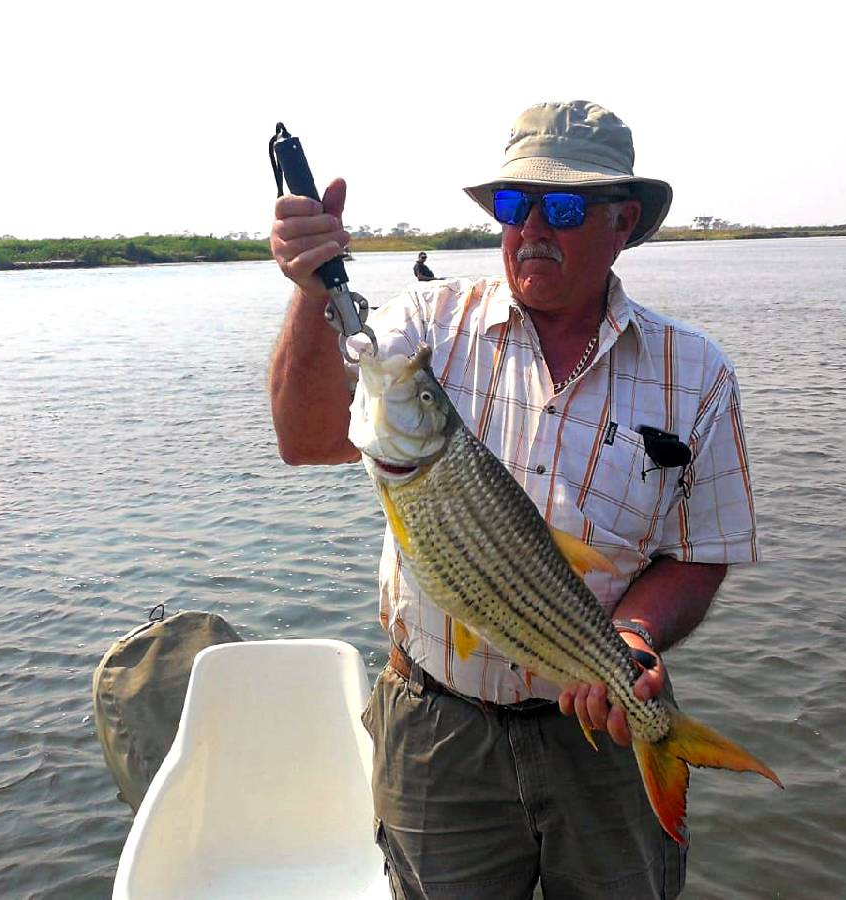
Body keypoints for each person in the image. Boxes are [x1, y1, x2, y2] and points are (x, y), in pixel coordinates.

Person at [268, 100, 758, 899]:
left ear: (624, 222)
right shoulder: (427, 325)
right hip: (438, 730)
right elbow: (307, 439)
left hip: (600, 730)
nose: (530, 228)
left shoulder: (696, 372)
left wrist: (632, 636)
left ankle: (662, 744)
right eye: (513, 204)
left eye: (562, 208)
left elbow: (702, 552)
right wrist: (305, 294)